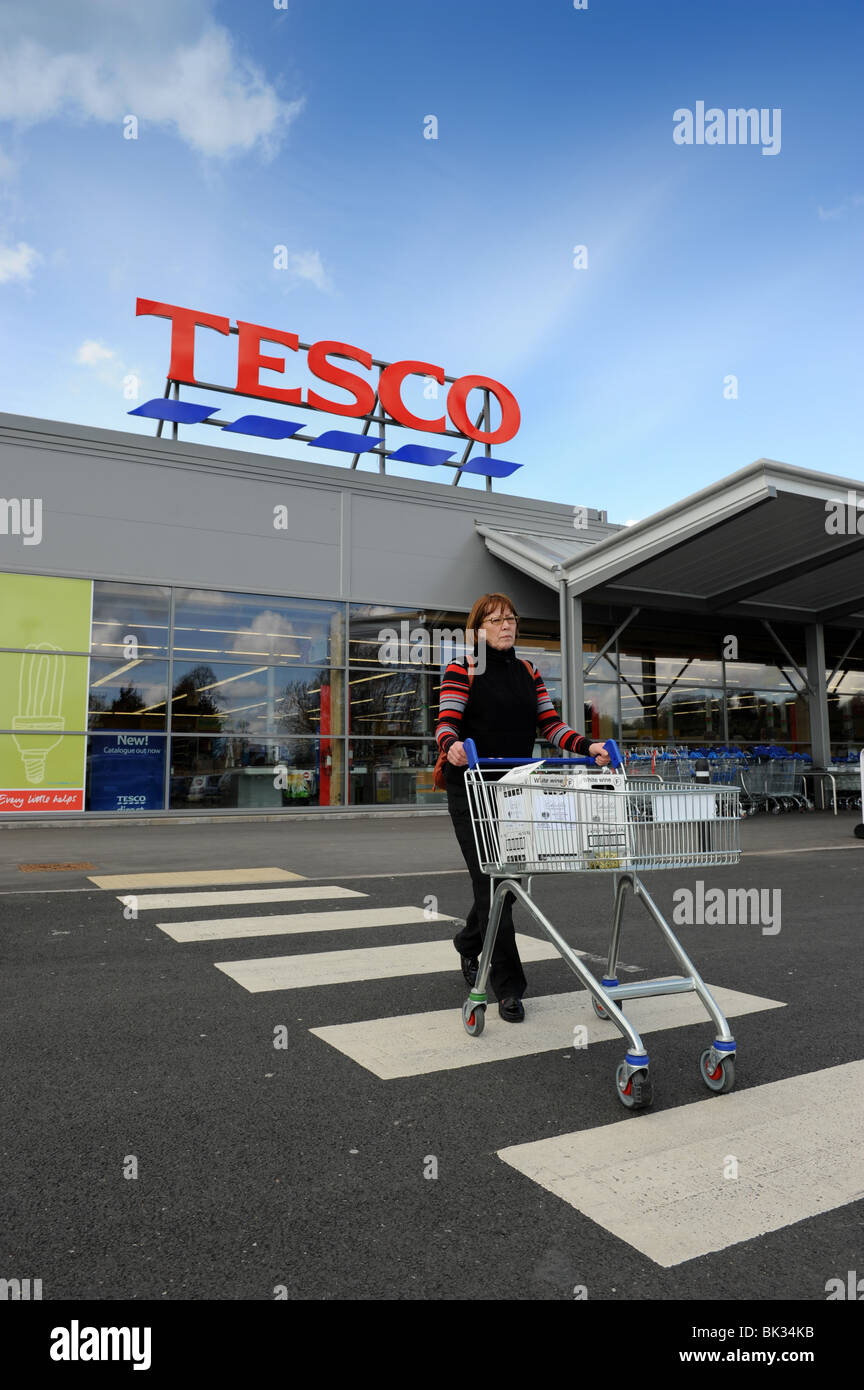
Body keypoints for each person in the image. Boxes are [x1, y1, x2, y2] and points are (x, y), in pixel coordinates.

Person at [435, 593, 610, 1022]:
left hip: (514, 790)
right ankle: (509, 988)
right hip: (471, 790)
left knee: (508, 882)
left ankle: (467, 942)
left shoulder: (528, 672)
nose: (505, 626)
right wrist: (452, 747)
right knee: (493, 884)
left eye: (510, 619)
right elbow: (446, 723)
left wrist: (590, 746)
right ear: (477, 629)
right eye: (495, 620)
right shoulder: (463, 669)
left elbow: (551, 725)